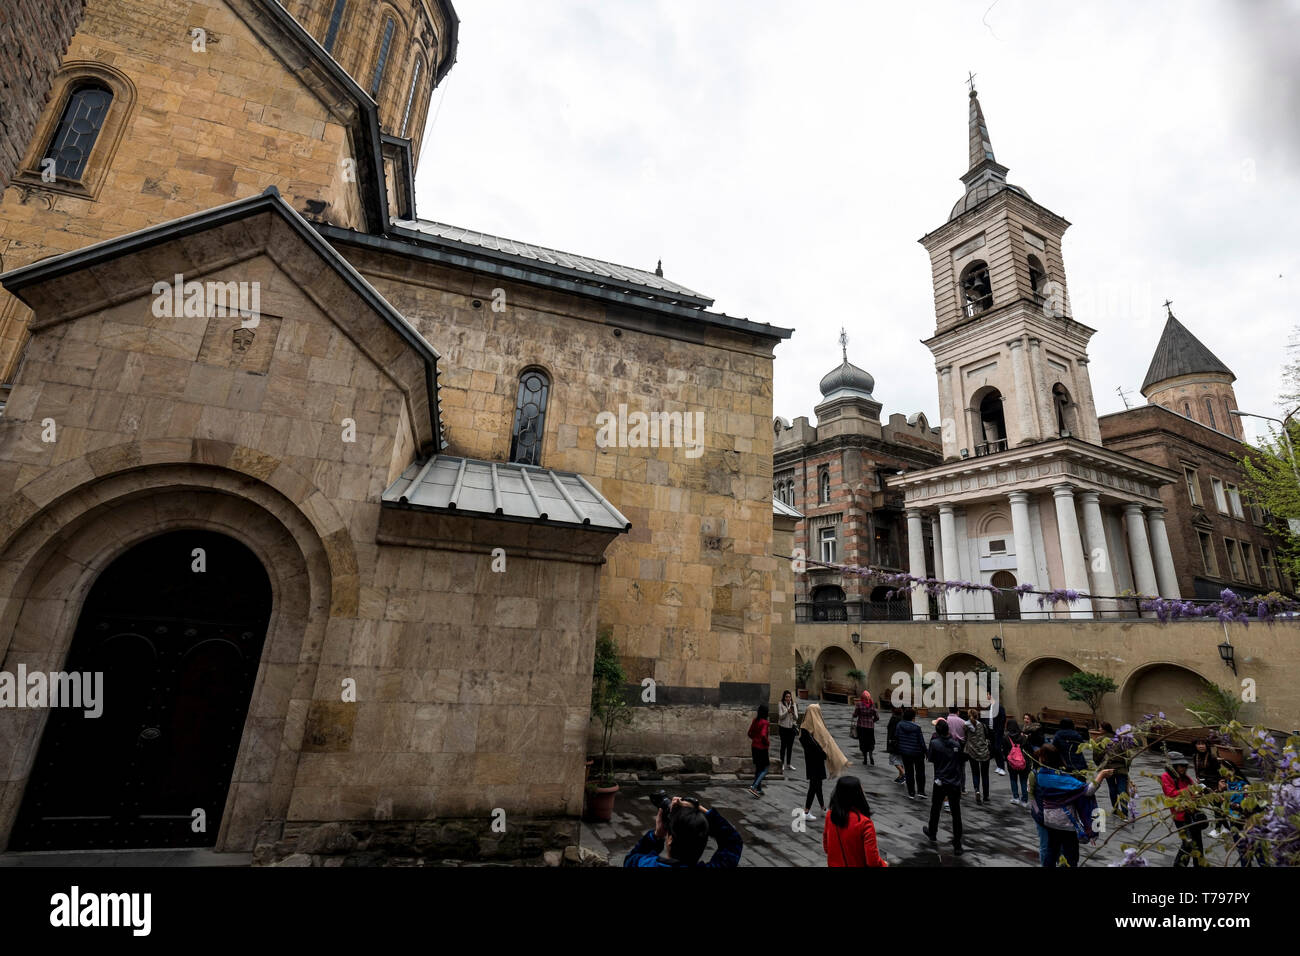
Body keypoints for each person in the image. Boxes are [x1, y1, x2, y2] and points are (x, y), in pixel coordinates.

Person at [1028, 743, 1112, 868]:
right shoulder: (1058, 778)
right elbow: (1088, 791)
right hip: (1064, 822)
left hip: (1049, 820)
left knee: (1052, 850)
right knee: (1071, 855)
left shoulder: (1041, 774)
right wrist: (1101, 775)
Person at [624, 796, 743, 867]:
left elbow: (630, 860)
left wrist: (656, 836)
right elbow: (733, 842)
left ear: (670, 839)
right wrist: (700, 809)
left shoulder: (645, 864)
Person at [823, 776, 889, 867]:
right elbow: (872, 861)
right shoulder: (865, 823)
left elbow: (827, 848)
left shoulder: (830, 815)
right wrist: (883, 864)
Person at [799, 703, 850, 821]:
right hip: (813, 761)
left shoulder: (816, 726)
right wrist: (823, 751)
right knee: (814, 785)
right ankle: (807, 811)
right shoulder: (806, 728)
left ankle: (822, 808)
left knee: (817, 785)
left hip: (817, 761)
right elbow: (812, 746)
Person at [921, 718, 964, 855]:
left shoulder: (934, 743)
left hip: (940, 780)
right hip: (954, 781)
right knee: (956, 813)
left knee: (936, 807)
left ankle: (932, 832)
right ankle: (957, 843)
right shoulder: (956, 744)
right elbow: (960, 760)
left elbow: (931, 758)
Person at [1161, 751, 1207, 867]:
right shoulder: (1166, 777)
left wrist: (1198, 793)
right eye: (1180, 766)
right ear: (1174, 766)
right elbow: (1171, 794)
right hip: (1180, 815)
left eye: (1184, 766)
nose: (1183, 768)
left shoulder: (1186, 778)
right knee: (1188, 843)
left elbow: (1193, 792)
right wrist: (1189, 790)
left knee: (1198, 845)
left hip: (1192, 812)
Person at [1096, 722, 1133, 815]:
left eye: (1100, 728)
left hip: (1108, 768)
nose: (1099, 729)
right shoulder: (1121, 739)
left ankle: (1115, 810)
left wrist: (1100, 767)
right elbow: (1128, 755)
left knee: (1112, 788)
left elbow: (1096, 755)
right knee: (1122, 790)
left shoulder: (1100, 740)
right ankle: (1125, 812)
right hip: (1121, 768)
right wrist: (1126, 767)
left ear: (1104, 729)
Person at [894, 706, 927, 801]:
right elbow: (921, 742)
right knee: (920, 772)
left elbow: (897, 737)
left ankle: (911, 792)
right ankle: (921, 791)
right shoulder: (916, 728)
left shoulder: (899, 725)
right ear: (913, 717)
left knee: (909, 772)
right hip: (917, 753)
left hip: (905, 752)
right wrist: (926, 752)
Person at [1192, 739, 1224, 833]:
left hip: (1213, 784)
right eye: (1199, 744)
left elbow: (1219, 772)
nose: (1201, 746)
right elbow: (1196, 769)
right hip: (1202, 784)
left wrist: (1220, 784)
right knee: (1196, 802)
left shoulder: (1212, 757)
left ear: (1207, 746)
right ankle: (1199, 821)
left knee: (1216, 806)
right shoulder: (1195, 756)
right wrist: (1197, 778)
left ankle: (1218, 829)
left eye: (1203, 744)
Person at [964, 708, 992, 804]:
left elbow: (964, 737)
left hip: (972, 752)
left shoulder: (966, 726)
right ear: (978, 716)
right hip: (984, 752)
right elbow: (987, 736)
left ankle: (977, 791)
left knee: (975, 773)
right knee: (985, 774)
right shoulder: (983, 725)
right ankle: (986, 795)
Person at [1003, 718, 1030, 807]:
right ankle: (1025, 800)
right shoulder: (1023, 737)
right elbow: (1028, 749)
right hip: (1023, 762)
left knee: (1013, 779)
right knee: (1023, 780)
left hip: (1012, 763)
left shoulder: (1006, 737)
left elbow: (1004, 750)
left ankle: (1016, 798)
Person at [746, 703, 770, 797]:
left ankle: (759, 789)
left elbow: (749, 733)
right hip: (762, 748)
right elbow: (764, 735)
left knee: (758, 768)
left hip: (754, 747)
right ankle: (754, 786)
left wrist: (755, 739)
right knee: (766, 768)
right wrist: (767, 742)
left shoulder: (755, 721)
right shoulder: (765, 723)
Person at [851, 690, 879, 766]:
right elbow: (877, 717)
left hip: (861, 726)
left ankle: (865, 759)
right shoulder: (872, 705)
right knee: (870, 741)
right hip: (870, 727)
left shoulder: (859, 704)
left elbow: (855, 714)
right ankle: (870, 754)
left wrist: (854, 715)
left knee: (863, 742)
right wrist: (872, 721)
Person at [946, 706, 968, 793]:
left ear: (949, 710)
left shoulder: (945, 720)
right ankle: (962, 788)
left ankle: (950, 785)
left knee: (949, 766)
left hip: (948, 746)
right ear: (958, 711)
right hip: (961, 746)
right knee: (962, 767)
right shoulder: (963, 722)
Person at [777, 690, 799, 771]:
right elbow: (780, 716)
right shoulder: (780, 704)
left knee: (790, 747)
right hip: (783, 728)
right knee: (783, 746)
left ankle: (789, 764)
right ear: (784, 697)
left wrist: (793, 713)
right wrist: (787, 711)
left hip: (791, 728)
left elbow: (796, 718)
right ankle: (782, 763)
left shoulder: (794, 704)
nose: (788, 698)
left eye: (789, 697)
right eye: (786, 697)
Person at [885, 706, 906, 783]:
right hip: (902, 742)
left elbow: (890, 730)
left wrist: (890, 741)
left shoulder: (893, 718)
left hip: (894, 742)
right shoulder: (902, 718)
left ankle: (903, 773)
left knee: (893, 758)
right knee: (900, 759)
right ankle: (900, 776)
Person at [990, 701, 1008, 776]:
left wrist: (1000, 730)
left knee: (998, 748)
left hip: (998, 731)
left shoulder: (999, 707)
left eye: (987, 694)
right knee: (994, 748)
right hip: (991, 730)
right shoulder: (990, 706)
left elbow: (1003, 718)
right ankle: (998, 766)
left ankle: (1002, 767)